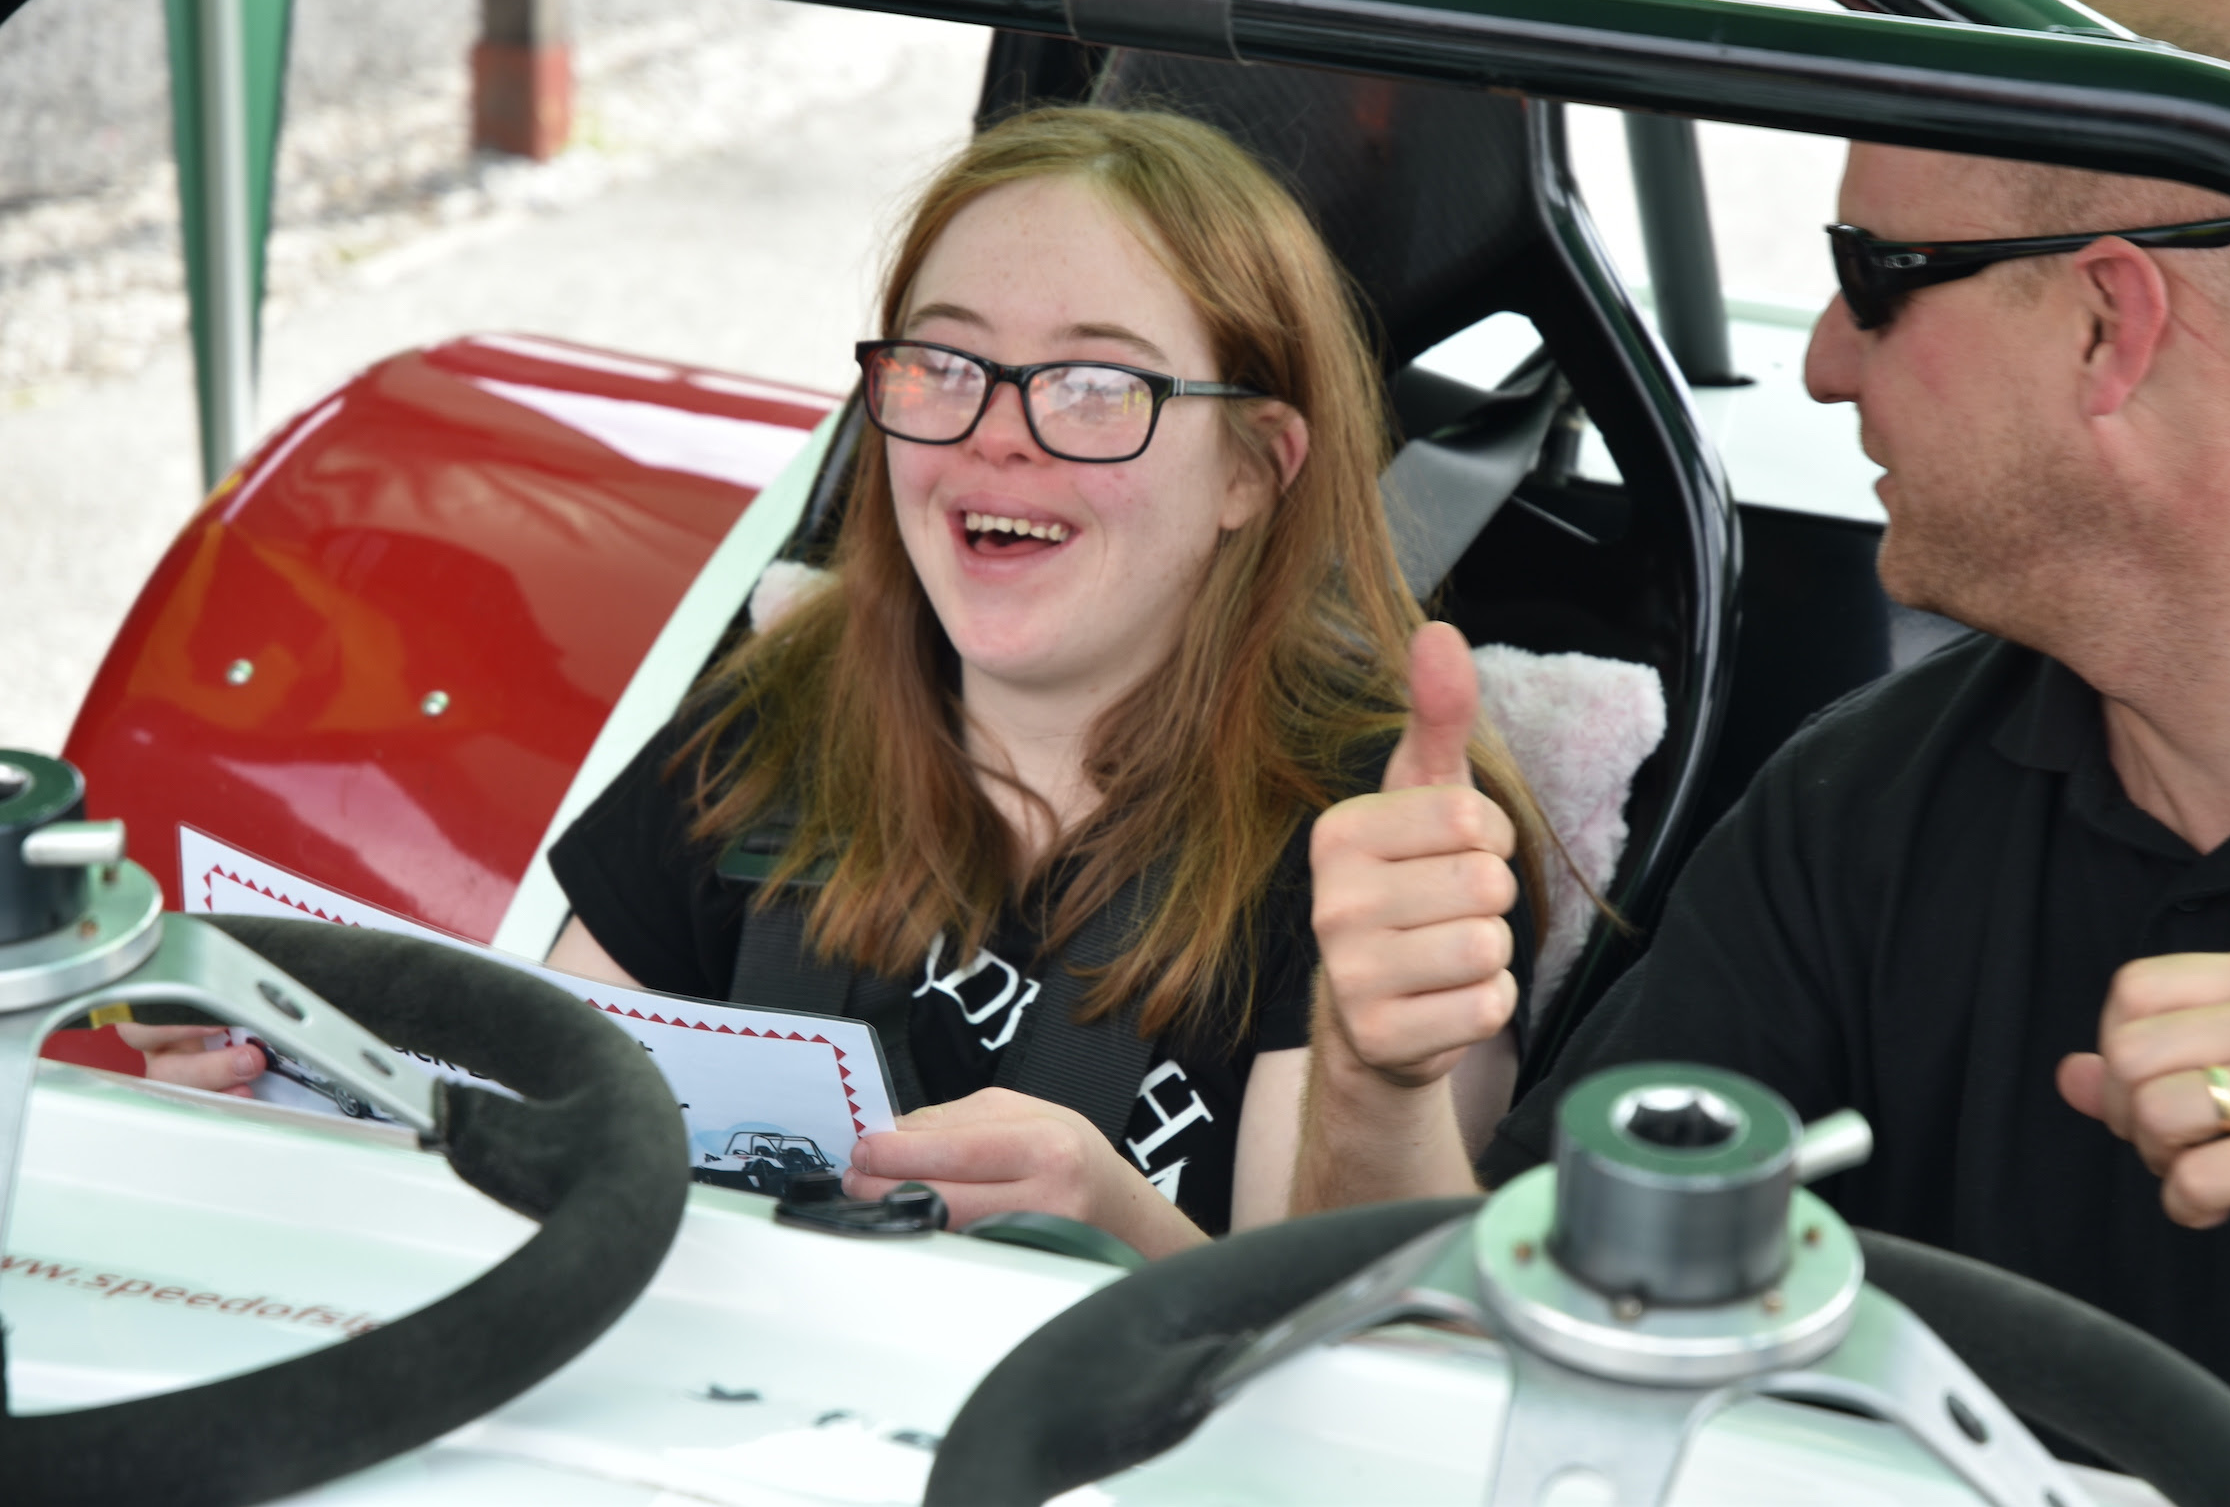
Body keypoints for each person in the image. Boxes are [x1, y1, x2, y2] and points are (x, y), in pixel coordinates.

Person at [1294, 0, 2230, 1504]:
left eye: (1871, 279)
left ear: (2108, 324)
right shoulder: (1860, 811)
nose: (1824, 364)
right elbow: (1494, 1379)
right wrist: (1378, 1083)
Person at [110, 106, 1547, 1262]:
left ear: (1253, 468)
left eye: (1095, 387)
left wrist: (1121, 1226)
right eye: (945, 366)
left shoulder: (1383, 848)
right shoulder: (773, 723)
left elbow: (1361, 1395)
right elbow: (542, 1114)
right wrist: (293, 1111)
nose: (996, 435)